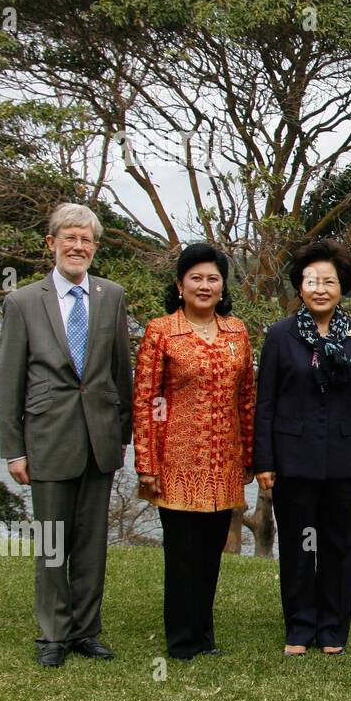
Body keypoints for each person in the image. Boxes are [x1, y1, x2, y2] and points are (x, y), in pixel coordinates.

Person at [0, 203, 134, 667]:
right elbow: (9, 381)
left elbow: (121, 372)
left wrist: (124, 432)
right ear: (51, 244)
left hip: (101, 438)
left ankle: (86, 630)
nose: (78, 247)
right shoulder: (22, 302)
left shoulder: (111, 295)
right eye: (69, 238)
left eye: (86, 240)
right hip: (47, 438)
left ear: (95, 247)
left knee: (92, 543)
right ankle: (53, 633)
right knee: (53, 540)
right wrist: (13, 449)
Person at [133, 243, 256, 661]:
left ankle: (205, 636)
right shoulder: (160, 331)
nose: (205, 286)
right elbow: (146, 401)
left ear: (223, 286)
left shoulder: (237, 332)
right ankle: (182, 642)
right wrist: (146, 463)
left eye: (213, 278)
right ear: (180, 284)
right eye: (196, 278)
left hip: (224, 461)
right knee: (183, 556)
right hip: (176, 463)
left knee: (210, 554)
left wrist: (250, 458)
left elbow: (247, 399)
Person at [254, 240, 351, 658]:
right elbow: (265, 401)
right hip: (293, 459)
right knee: (299, 544)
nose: (320, 288)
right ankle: (300, 626)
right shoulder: (281, 334)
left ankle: (333, 629)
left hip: (343, 457)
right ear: (300, 287)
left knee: (339, 546)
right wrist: (264, 461)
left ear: (342, 286)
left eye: (329, 281)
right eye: (312, 281)